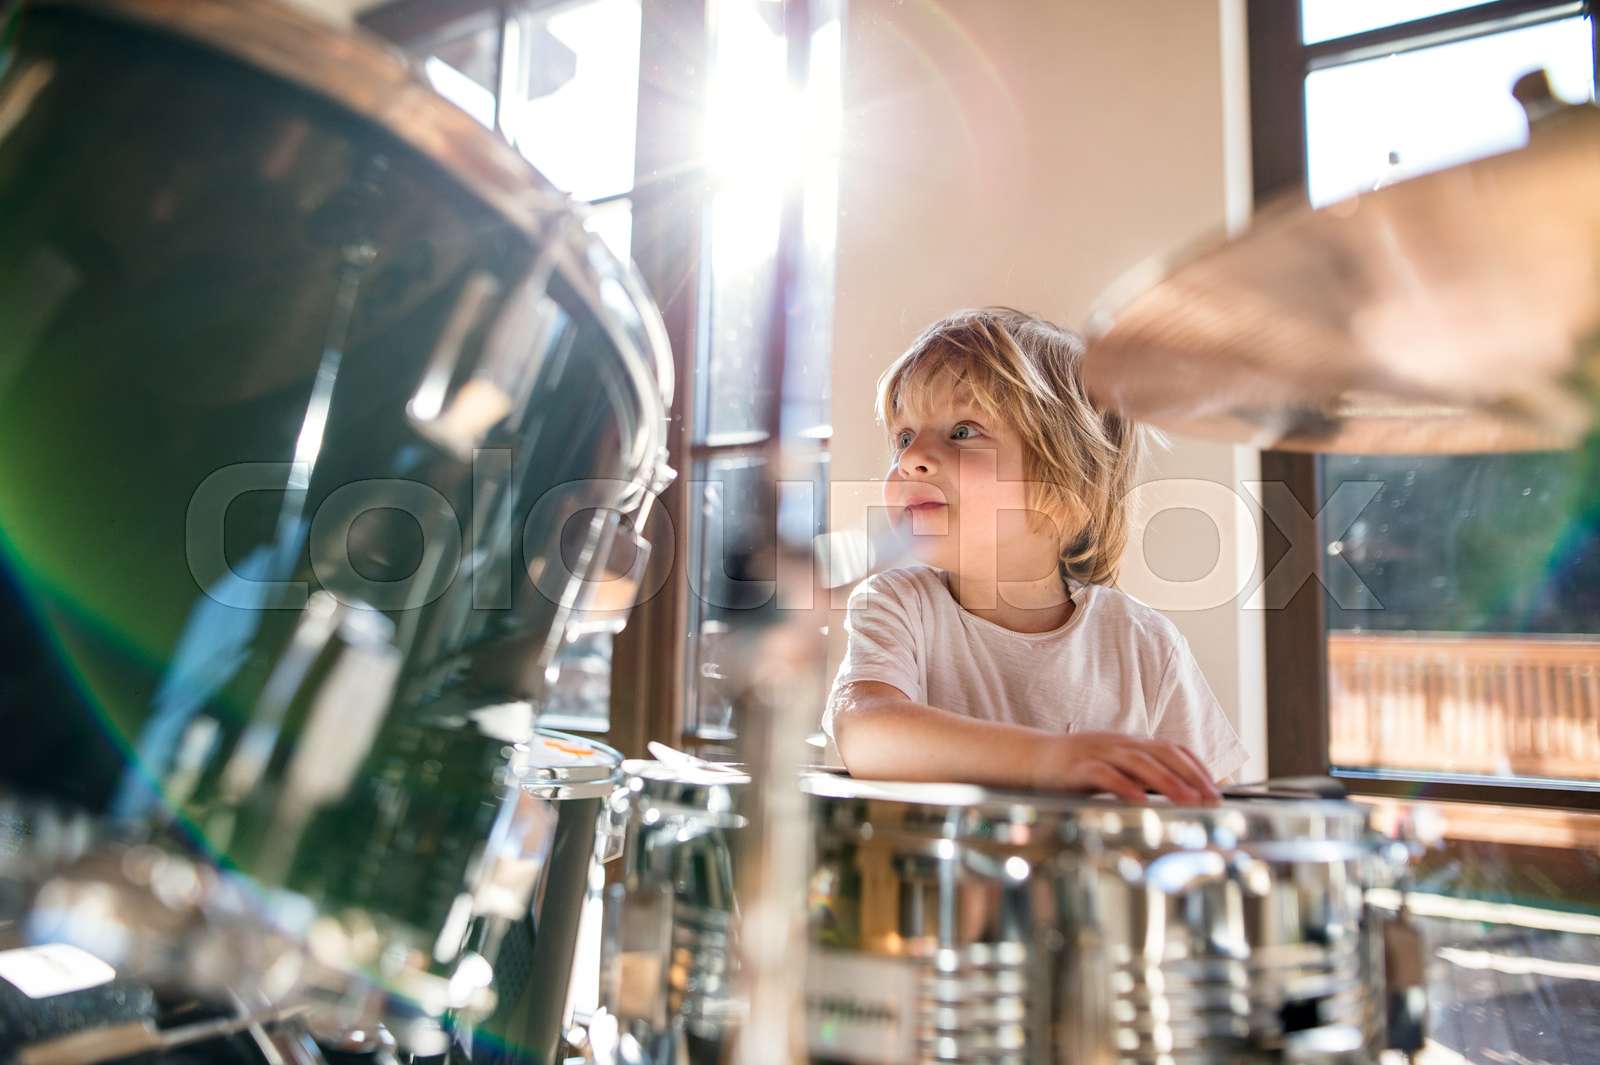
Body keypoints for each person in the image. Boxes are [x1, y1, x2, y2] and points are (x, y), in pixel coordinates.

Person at [823, 308, 1247, 805]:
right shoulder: (897, 603)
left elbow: (1210, 806)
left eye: (963, 431)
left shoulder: (1143, 643)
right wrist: (1050, 760)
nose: (911, 458)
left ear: (1067, 488)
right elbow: (866, 733)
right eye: (904, 436)